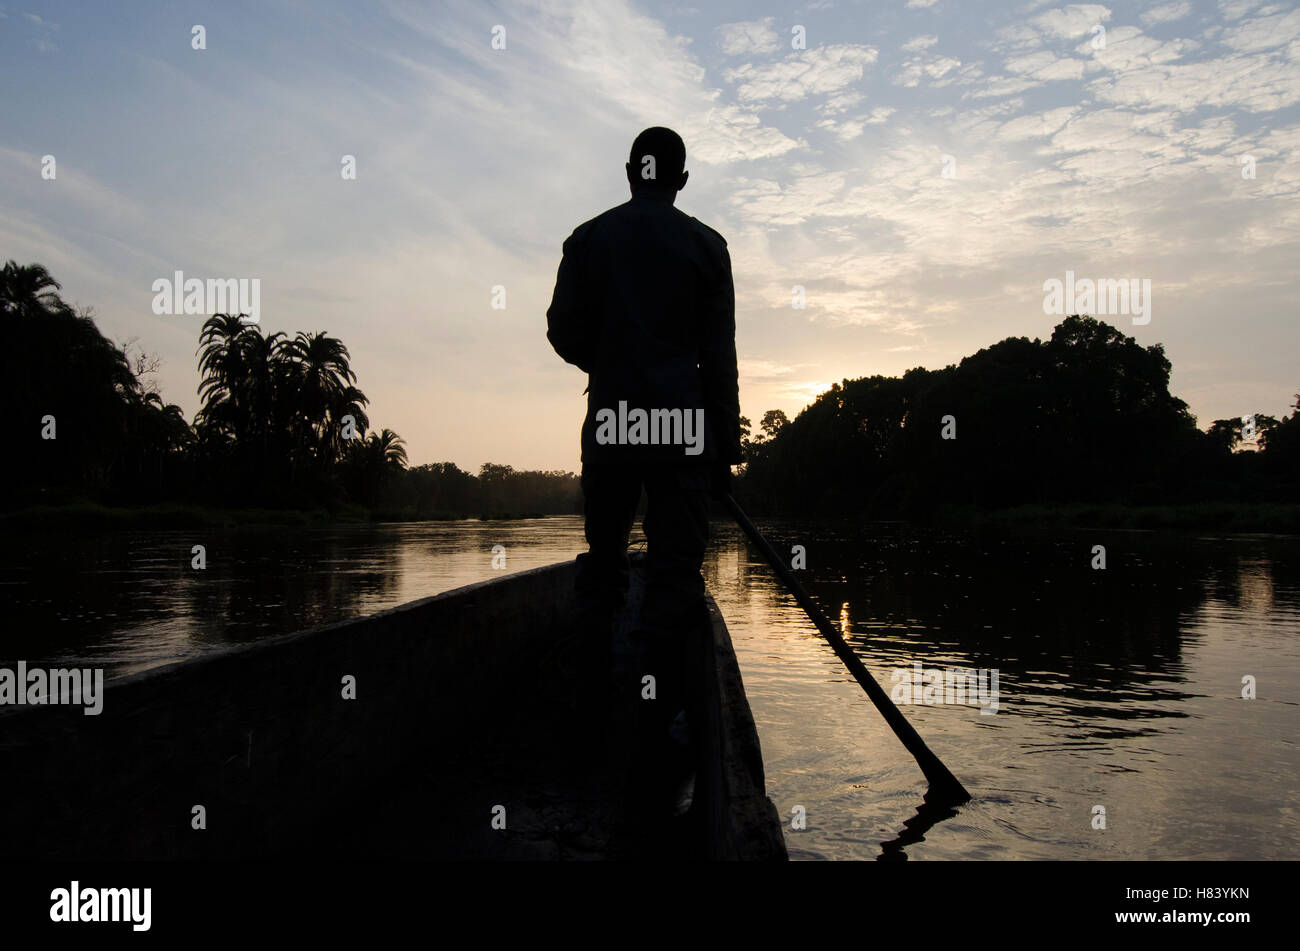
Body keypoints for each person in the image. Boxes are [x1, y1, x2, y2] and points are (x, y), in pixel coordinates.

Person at [546, 126, 741, 729]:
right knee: (674, 571)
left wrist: (609, 365)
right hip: (681, 424)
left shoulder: (587, 239)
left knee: (603, 562)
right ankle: (655, 712)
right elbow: (720, 357)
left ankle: (589, 702)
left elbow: (561, 329)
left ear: (632, 172)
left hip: (613, 420)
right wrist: (724, 450)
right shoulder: (708, 247)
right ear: (680, 180)